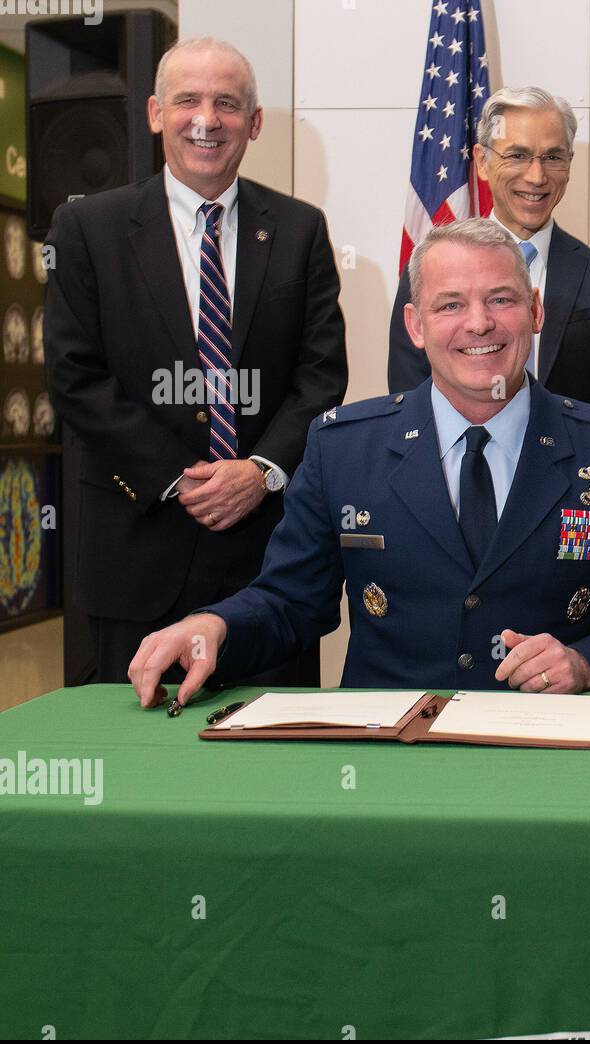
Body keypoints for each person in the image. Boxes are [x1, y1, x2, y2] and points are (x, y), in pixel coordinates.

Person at [128, 219, 590, 706]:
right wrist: (215, 626)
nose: (478, 323)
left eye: (501, 298)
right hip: (385, 761)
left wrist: (586, 662)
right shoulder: (343, 450)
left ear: (535, 311)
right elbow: (289, 602)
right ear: (415, 326)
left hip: (549, 749)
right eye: (450, 304)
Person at [44, 37, 348, 684]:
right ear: (156, 112)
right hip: (134, 558)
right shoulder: (87, 230)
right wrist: (181, 477)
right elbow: (75, 377)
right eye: (187, 100)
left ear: (254, 123)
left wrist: (260, 471)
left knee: (274, 764)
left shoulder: (300, 232)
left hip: (270, 569)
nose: (206, 119)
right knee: (135, 769)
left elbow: (321, 379)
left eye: (227, 103)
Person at [387, 86, 590, 423]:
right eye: (518, 155)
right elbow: (410, 403)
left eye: (552, 157)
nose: (536, 176)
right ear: (482, 161)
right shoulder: (430, 271)